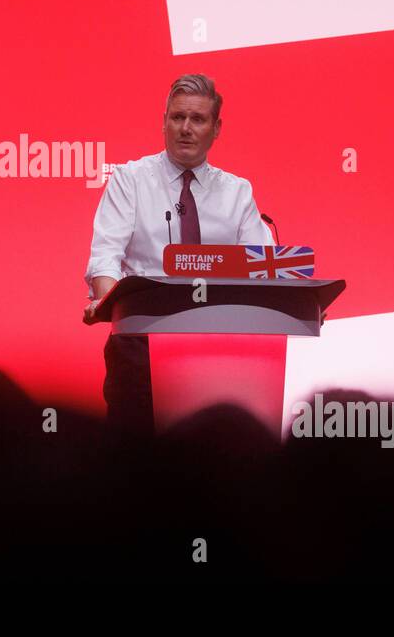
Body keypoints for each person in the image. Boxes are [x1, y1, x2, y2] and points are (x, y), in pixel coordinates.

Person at [82, 73, 274, 435]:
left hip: (219, 349)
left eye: (197, 119)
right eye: (177, 117)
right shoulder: (130, 179)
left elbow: (264, 267)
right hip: (141, 346)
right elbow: (105, 256)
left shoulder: (237, 193)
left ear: (216, 128)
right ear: (164, 121)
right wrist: (107, 299)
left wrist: (292, 302)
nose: (185, 128)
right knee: (135, 467)